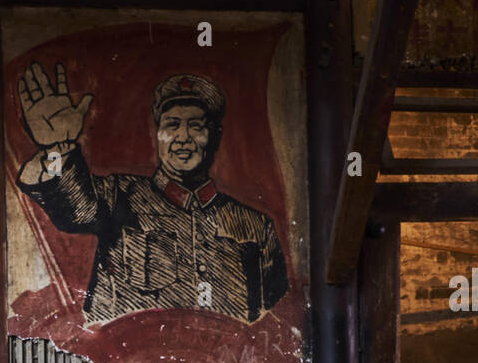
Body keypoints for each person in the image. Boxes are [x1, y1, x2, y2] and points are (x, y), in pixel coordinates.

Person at [17, 64, 288, 324]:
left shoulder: (254, 227)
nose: (183, 137)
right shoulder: (117, 197)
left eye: (196, 126)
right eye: (172, 125)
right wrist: (56, 147)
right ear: (157, 134)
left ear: (215, 136)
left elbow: (275, 322)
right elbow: (73, 211)